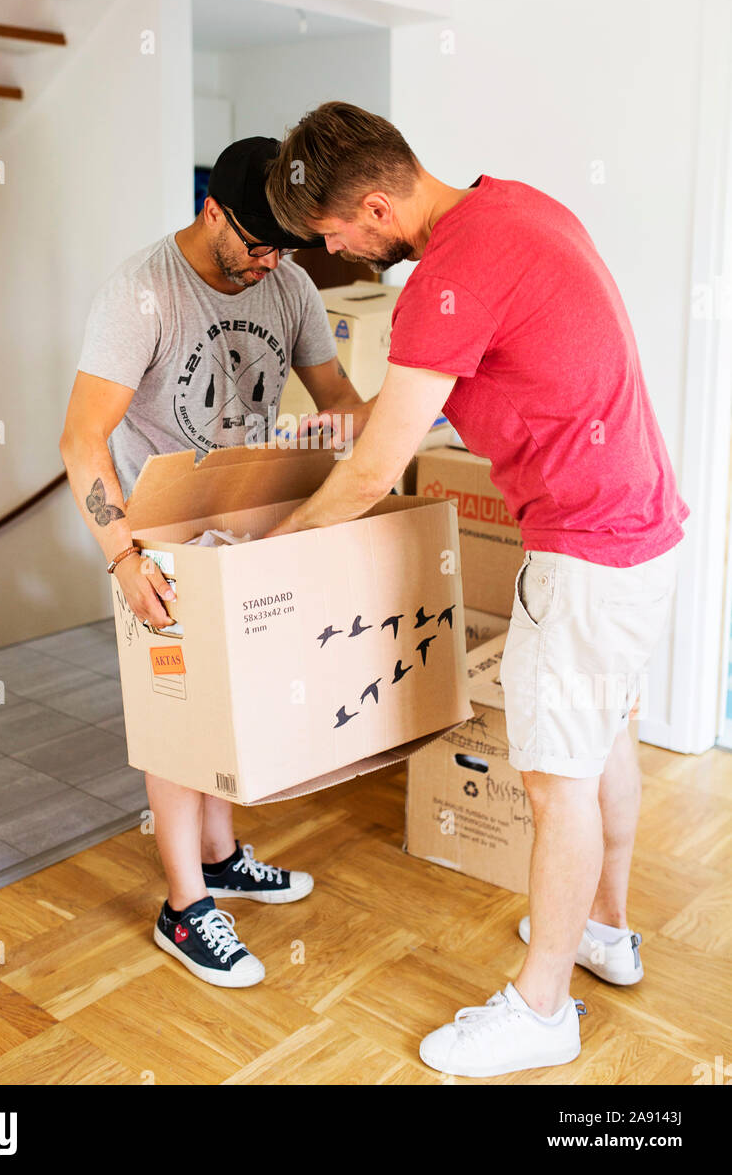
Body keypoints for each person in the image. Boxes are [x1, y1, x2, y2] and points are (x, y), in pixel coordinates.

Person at [264, 102, 688, 1076]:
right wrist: (323, 437)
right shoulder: (511, 210)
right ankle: (603, 927)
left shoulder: (446, 278)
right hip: (639, 532)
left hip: (584, 552)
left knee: (552, 780)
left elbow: (374, 474)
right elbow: (403, 411)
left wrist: (268, 549)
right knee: (602, 733)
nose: (330, 249)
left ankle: (540, 1010)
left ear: (375, 206)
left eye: (330, 233)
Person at [60, 136, 365, 988]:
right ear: (212, 212)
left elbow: (337, 401)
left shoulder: (290, 284)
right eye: (257, 245)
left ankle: (222, 855)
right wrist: (122, 557)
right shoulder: (141, 294)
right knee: (177, 716)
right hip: (154, 538)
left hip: (242, 524)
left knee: (227, 706)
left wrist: (334, 433)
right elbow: (81, 440)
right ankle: (186, 908)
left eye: (284, 249)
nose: (269, 265)